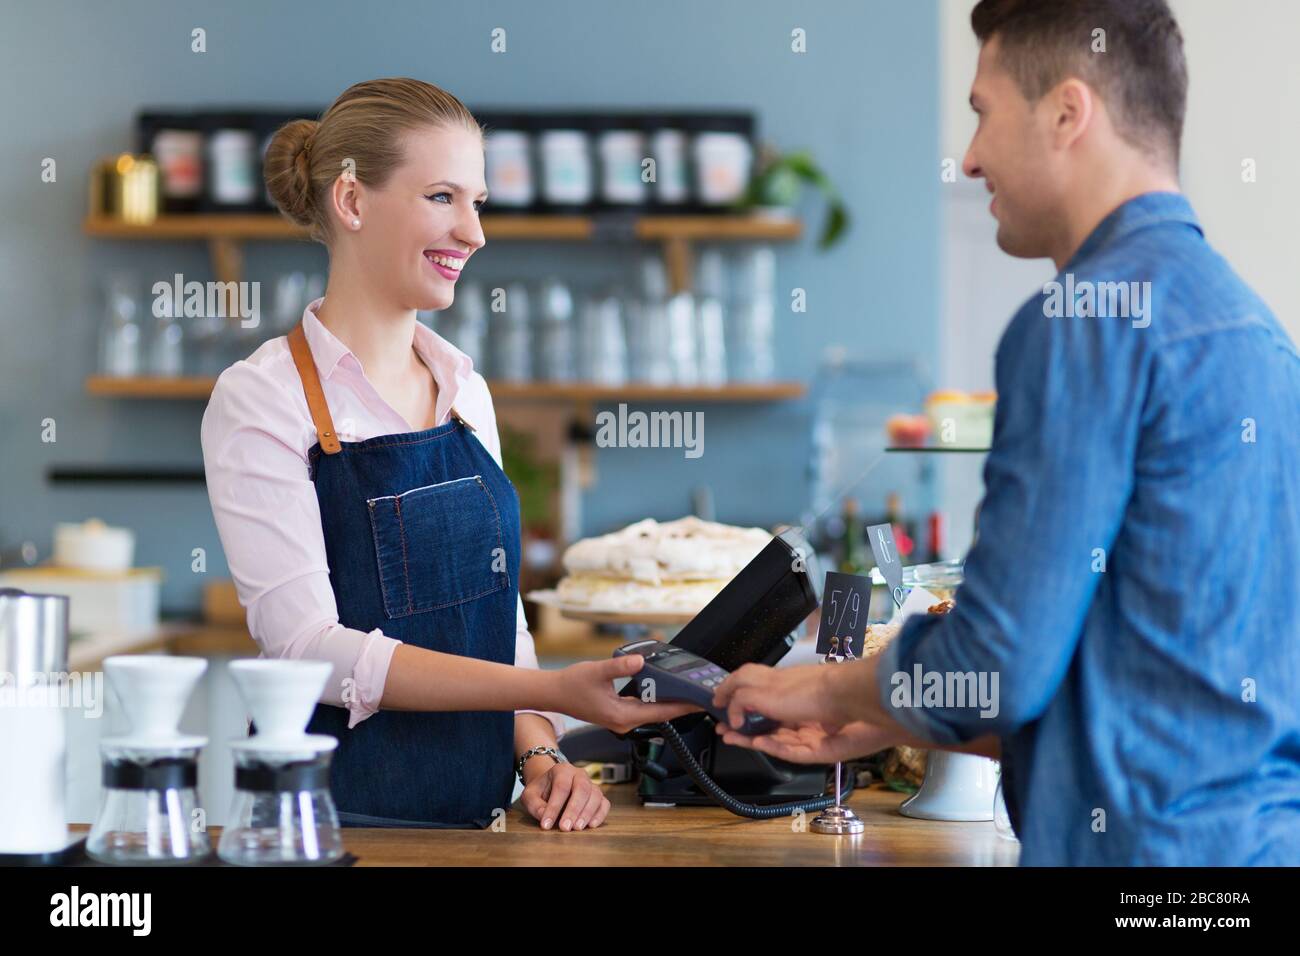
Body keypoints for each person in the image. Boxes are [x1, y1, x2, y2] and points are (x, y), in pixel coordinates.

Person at [713, 0, 1300, 865]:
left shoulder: (1078, 323)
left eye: (983, 113)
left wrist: (820, 686)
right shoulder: (1257, 330)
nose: (974, 155)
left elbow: (996, 665)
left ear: (1068, 112)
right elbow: (1158, 685)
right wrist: (867, 712)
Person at [201, 78, 692, 831]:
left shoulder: (465, 388)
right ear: (353, 201)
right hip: (335, 825)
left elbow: (503, 628)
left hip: (482, 822)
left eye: (478, 203)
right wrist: (558, 693)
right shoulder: (263, 397)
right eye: (442, 197)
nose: (474, 233)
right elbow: (308, 651)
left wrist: (539, 754)